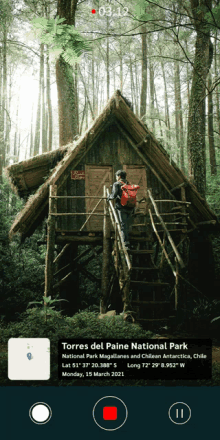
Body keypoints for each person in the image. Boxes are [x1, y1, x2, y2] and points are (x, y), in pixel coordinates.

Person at [107, 170, 134, 250]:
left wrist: (109, 197)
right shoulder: (129, 184)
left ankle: (125, 244)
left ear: (119, 176)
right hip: (130, 207)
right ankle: (128, 243)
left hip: (121, 208)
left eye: (116, 176)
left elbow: (114, 195)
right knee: (127, 225)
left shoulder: (117, 184)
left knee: (123, 225)